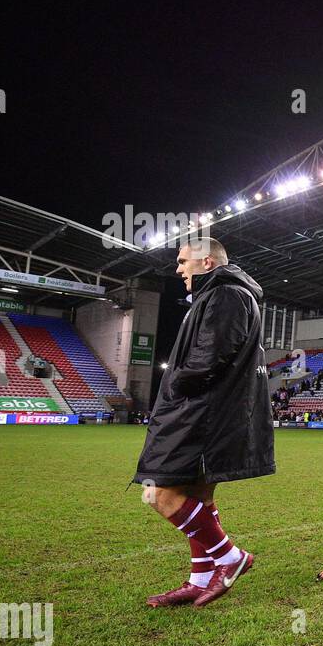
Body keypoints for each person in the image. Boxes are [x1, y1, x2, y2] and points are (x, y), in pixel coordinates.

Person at [133, 239, 274, 608]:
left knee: (157, 492)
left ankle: (230, 558)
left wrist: (176, 384)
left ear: (207, 261)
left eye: (183, 262)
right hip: (211, 412)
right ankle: (199, 579)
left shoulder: (226, 294)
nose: (178, 269)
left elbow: (210, 356)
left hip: (202, 413)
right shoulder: (225, 294)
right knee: (197, 497)